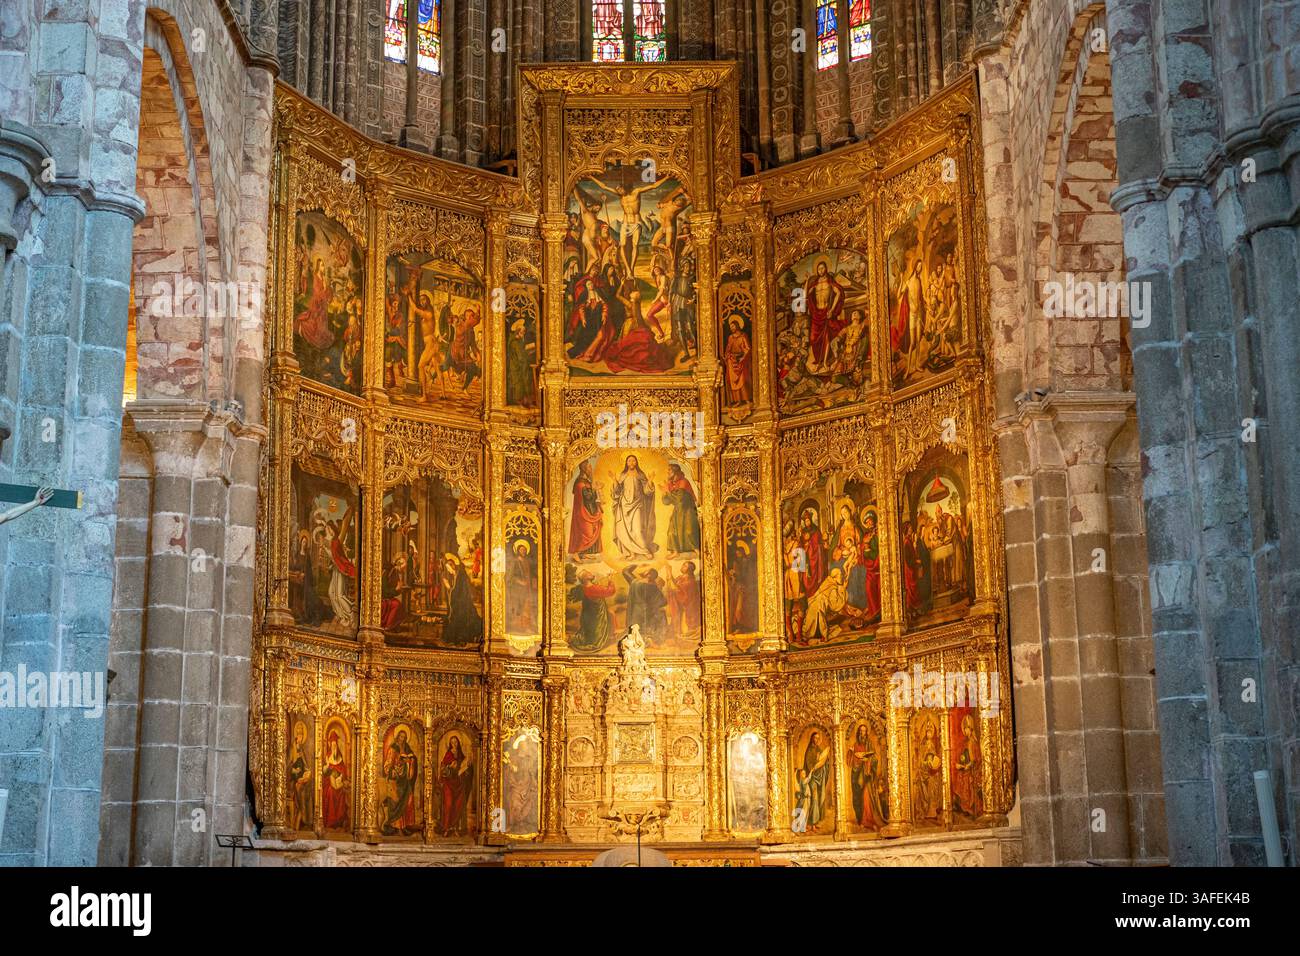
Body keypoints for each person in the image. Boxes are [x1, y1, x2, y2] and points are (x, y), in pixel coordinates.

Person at [804, 259, 846, 374]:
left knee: (827, 337)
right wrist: (807, 280)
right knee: (813, 338)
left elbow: (839, 293)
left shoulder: (830, 281)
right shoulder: (814, 282)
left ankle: (824, 362)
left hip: (826, 312)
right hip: (817, 314)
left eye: (822, 268)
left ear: (826, 269)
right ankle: (818, 360)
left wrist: (832, 309)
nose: (821, 270)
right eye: (819, 268)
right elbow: (805, 294)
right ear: (817, 270)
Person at [611, 454, 657, 560]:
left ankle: (644, 550)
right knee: (626, 530)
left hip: (638, 504)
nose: (631, 463)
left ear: (636, 462)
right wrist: (614, 479)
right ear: (626, 463)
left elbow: (647, 491)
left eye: (633, 461)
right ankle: (631, 553)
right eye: (629, 461)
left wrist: (650, 480)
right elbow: (617, 491)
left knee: (637, 528)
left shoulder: (640, 474)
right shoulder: (623, 475)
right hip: (624, 505)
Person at [848, 722, 887, 830]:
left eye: (864, 731)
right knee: (859, 797)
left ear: (867, 732)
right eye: (861, 731)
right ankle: (861, 820)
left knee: (867, 797)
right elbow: (851, 763)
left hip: (868, 775)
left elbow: (874, 758)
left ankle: (869, 820)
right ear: (858, 732)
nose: (862, 733)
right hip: (857, 776)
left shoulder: (869, 744)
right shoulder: (856, 744)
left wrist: (867, 760)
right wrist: (852, 753)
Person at [381, 729, 420, 835]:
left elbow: (413, 760)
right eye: (401, 737)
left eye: (404, 737)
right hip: (396, 781)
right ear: (397, 737)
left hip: (405, 780)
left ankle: (405, 825)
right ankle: (396, 826)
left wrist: (411, 761)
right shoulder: (393, 748)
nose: (402, 739)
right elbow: (387, 765)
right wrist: (392, 769)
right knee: (396, 801)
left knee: (409, 800)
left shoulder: (407, 748)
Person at [441, 553, 483, 646]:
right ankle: (456, 638)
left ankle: (461, 639)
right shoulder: (455, 575)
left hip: (463, 603)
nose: (449, 570)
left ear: (453, 565)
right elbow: (454, 591)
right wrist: (449, 588)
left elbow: (459, 591)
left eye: (450, 567)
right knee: (454, 617)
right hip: (458, 602)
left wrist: (449, 588)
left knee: (460, 618)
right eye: (448, 568)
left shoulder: (460, 575)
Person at [568, 570, 615, 652]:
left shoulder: (585, 587)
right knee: (606, 620)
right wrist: (610, 580)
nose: (592, 573)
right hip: (597, 615)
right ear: (586, 578)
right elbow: (610, 591)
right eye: (589, 573)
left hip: (588, 615)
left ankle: (593, 639)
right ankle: (602, 639)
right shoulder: (593, 589)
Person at [438, 735, 474, 836]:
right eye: (452, 742)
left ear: (458, 743)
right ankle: (446, 828)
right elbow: (443, 769)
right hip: (448, 783)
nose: (454, 744)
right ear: (450, 744)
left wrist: (468, 768)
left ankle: (454, 827)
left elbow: (464, 769)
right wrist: (449, 766)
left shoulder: (461, 755)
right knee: (448, 805)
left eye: (456, 742)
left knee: (457, 806)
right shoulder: (448, 754)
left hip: (459, 784)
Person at [661, 463, 701, 556]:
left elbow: (680, 498)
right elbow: (666, 502)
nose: (668, 472)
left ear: (675, 471)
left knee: (689, 530)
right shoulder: (670, 484)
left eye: (669, 470)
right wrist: (664, 494)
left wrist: (667, 492)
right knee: (671, 532)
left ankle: (696, 549)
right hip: (677, 511)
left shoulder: (684, 481)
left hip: (688, 510)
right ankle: (675, 551)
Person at [567, 459, 603, 558]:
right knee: (585, 532)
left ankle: (584, 553)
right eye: (589, 468)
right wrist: (595, 490)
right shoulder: (580, 482)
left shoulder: (586, 481)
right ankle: (576, 554)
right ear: (584, 469)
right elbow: (587, 496)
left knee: (591, 530)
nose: (591, 470)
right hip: (583, 512)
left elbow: (590, 496)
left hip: (589, 510)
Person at [624, 565, 668, 644]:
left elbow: (625, 571)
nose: (644, 570)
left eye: (647, 570)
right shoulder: (653, 587)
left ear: (649, 575)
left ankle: (639, 642)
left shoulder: (634, 582)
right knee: (645, 627)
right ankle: (647, 641)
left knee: (636, 628)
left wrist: (635, 565)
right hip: (647, 610)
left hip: (636, 609)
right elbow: (663, 601)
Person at [320, 727, 349, 830]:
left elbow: (343, 769)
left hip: (339, 782)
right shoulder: (328, 756)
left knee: (341, 792)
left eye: (335, 745)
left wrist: (341, 776)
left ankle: (339, 821)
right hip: (329, 782)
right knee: (330, 792)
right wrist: (327, 767)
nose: (334, 747)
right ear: (330, 745)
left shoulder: (340, 757)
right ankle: (331, 822)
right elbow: (323, 772)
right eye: (332, 745)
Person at [802, 732, 831, 829]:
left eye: (818, 738)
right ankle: (812, 823)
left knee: (819, 797)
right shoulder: (809, 750)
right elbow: (809, 765)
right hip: (812, 777)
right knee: (814, 798)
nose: (816, 740)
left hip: (820, 777)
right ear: (812, 739)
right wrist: (816, 761)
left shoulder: (819, 749)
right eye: (815, 738)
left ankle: (815, 822)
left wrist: (826, 759)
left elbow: (824, 761)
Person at [723, 314, 752, 406]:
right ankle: (738, 400)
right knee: (733, 382)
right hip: (732, 361)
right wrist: (728, 356)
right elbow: (728, 349)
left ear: (737, 325)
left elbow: (747, 349)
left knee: (742, 380)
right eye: (730, 327)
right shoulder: (730, 337)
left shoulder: (743, 336)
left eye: (733, 326)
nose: (731, 328)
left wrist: (742, 358)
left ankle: (746, 399)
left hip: (741, 360)